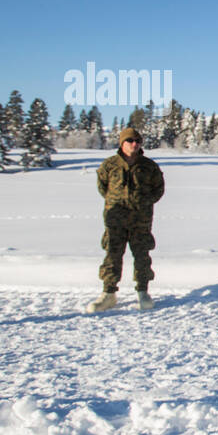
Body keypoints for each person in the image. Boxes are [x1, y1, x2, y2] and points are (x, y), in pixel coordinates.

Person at [87, 126, 164, 313]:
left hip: (141, 220)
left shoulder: (149, 166)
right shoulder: (110, 165)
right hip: (116, 220)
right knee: (112, 255)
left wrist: (143, 203)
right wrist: (117, 201)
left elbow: (158, 189)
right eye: (130, 141)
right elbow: (103, 187)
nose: (134, 144)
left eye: (137, 141)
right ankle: (108, 293)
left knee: (142, 256)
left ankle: (143, 291)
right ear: (122, 143)